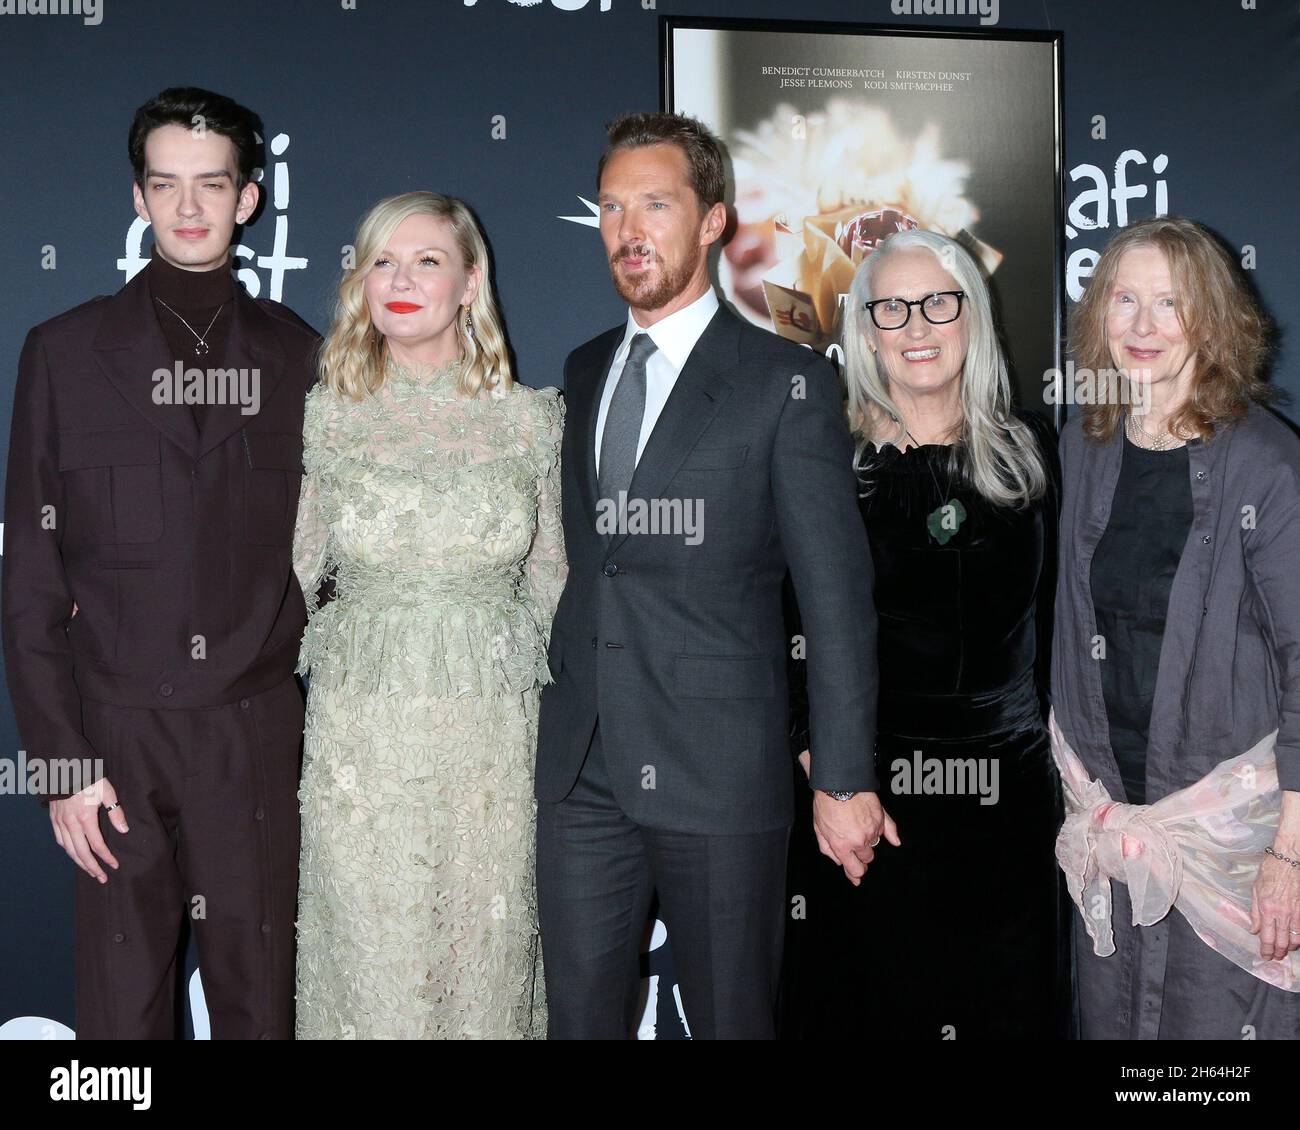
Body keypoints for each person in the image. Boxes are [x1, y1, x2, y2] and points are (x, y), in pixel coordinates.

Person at [534, 111, 881, 1041]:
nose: (628, 230)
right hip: (583, 772)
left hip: (720, 773)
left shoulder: (784, 381)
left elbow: (837, 599)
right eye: (611, 207)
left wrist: (843, 777)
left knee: (732, 1023)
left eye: (656, 203)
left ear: (715, 220)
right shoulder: (584, 368)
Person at [1, 87, 319, 1039]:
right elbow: (28, 578)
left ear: (248, 199)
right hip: (114, 743)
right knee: (119, 1017)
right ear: (138, 200)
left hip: (253, 736)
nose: (189, 208)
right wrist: (60, 762)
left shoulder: (302, 357)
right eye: (166, 185)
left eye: (212, 185)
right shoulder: (60, 353)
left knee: (259, 1006)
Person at [782, 229, 1070, 1039]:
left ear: (972, 317)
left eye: (939, 302)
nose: (917, 325)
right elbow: (778, 636)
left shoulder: (1037, 451)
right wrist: (833, 783)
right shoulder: (823, 460)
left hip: (1009, 810)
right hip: (870, 799)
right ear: (866, 329)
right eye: (893, 307)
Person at [291, 191, 564, 1040]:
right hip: (361, 738)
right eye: (382, 261)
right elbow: (298, 574)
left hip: (494, 737)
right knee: (374, 953)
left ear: (470, 282)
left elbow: (553, 575)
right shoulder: (328, 416)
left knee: (484, 951)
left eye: (427, 261)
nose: (401, 280)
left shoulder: (530, 420)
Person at [1054, 215, 1300, 1038]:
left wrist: (1290, 857)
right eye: (1125, 299)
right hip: (1115, 832)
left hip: (1234, 847)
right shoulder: (1083, 448)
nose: (1145, 326)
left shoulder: (1265, 462)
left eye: (1171, 302)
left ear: (1213, 319)